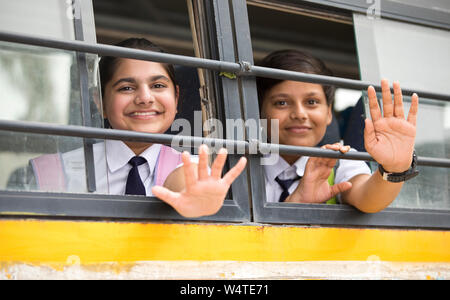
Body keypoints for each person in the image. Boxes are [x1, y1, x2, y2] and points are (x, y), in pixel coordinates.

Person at [29, 38, 247, 218]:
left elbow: (180, 183)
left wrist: (196, 198)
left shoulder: (193, 170)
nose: (145, 98)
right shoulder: (53, 172)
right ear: (100, 102)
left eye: (158, 86)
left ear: (176, 97)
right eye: (126, 87)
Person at [257, 49, 419, 213]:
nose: (299, 114)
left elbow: (368, 197)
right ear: (259, 112)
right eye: (281, 103)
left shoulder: (339, 159)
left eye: (311, 102)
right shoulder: (240, 162)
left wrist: (394, 168)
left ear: (328, 113)